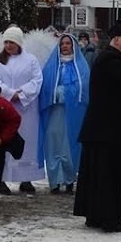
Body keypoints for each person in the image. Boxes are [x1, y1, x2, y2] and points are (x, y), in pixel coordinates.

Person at [73, 22, 121, 233]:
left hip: (102, 129)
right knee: (108, 175)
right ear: (116, 40)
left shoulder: (111, 59)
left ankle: (96, 214)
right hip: (106, 130)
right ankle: (110, 218)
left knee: (98, 174)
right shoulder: (110, 59)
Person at [0, 27, 45, 193]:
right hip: (4, 108)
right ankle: (1, 178)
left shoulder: (31, 60)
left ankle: (26, 179)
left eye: (11, 42)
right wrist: (9, 93)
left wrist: (21, 94)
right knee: (4, 141)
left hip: (26, 109)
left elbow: (37, 80)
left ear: (19, 42)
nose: (8, 45)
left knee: (27, 141)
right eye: (6, 42)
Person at [38, 33, 90, 194]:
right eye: (62, 44)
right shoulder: (52, 65)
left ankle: (69, 178)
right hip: (55, 112)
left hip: (74, 113)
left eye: (68, 43)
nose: (65, 46)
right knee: (53, 144)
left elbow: (85, 87)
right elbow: (45, 86)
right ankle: (54, 181)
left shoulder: (81, 65)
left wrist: (66, 92)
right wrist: (55, 93)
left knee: (70, 146)